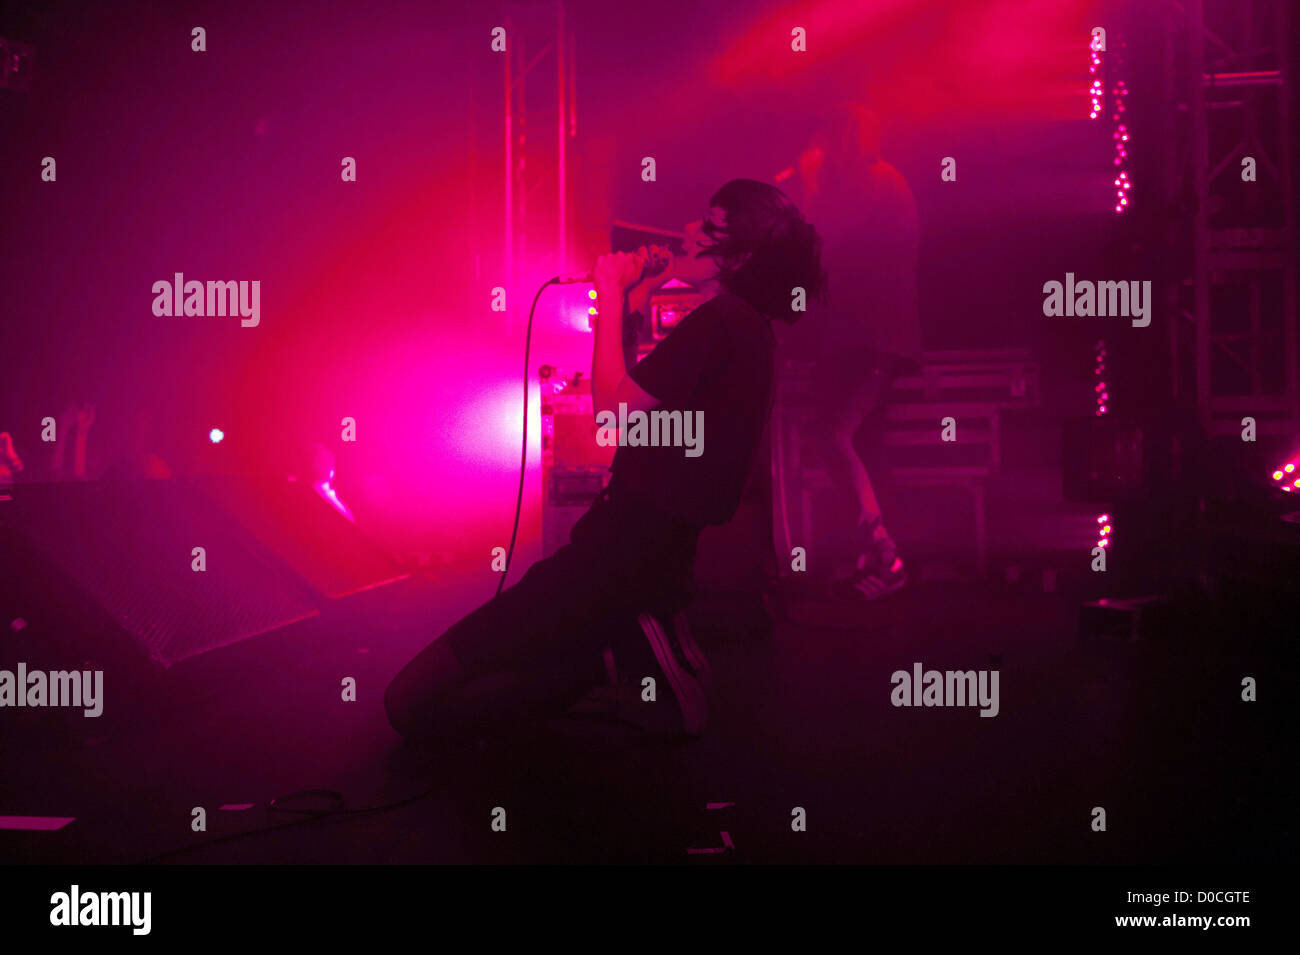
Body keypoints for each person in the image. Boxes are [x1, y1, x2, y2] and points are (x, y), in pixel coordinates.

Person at [385, 179, 824, 742]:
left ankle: (649, 657)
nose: (687, 231)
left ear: (737, 257)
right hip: (638, 548)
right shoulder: (744, 328)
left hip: (616, 552)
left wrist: (611, 293)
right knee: (510, 691)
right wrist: (636, 303)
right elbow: (643, 403)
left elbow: (613, 411)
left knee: (407, 703)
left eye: (708, 228)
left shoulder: (720, 323)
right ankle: (630, 650)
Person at [800, 103, 921, 600]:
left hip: (871, 338)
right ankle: (876, 558)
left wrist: (809, 186)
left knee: (832, 433)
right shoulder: (877, 180)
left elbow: (823, 241)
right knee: (863, 445)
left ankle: (885, 552)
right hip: (866, 336)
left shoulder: (876, 182)